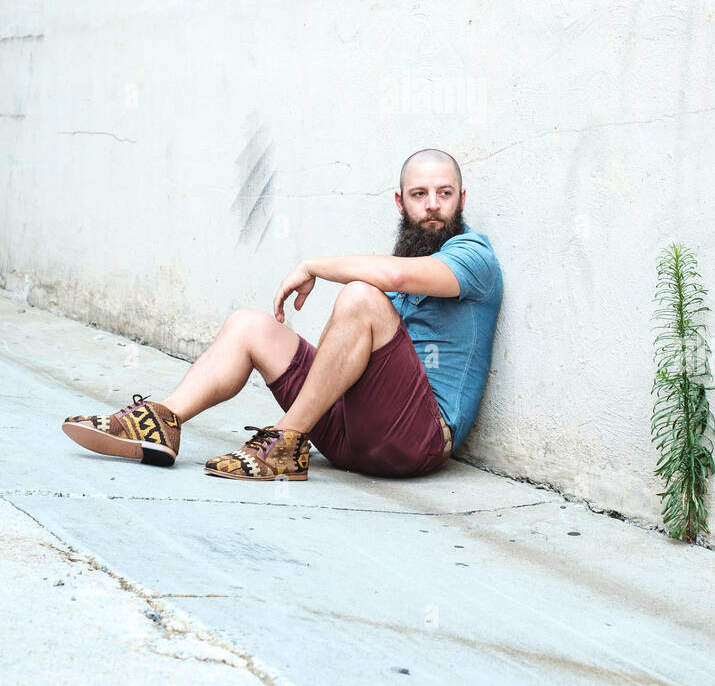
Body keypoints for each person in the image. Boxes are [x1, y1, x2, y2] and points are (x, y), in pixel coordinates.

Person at [61, 149, 503, 482]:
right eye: (419, 194)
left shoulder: (473, 256)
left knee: (360, 296)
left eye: (443, 194)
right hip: (350, 436)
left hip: (415, 442)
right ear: (399, 202)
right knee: (248, 324)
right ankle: (162, 420)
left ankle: (285, 442)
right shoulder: (409, 253)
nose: (431, 205)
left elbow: (396, 275)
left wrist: (312, 265)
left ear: (461, 199)